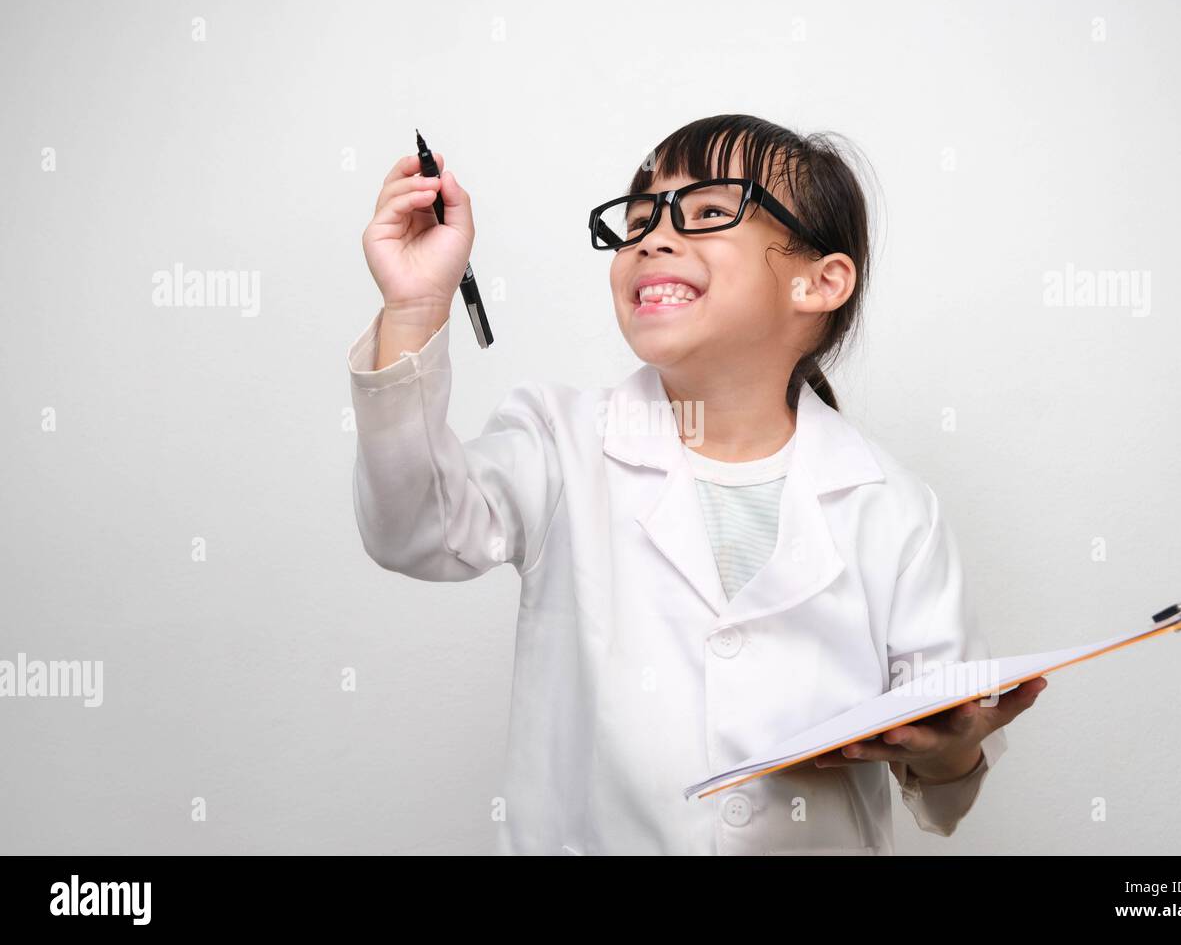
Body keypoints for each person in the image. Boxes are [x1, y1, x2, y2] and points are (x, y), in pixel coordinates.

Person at [346, 113, 1046, 854]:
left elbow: (946, 785)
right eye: (641, 217)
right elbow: (414, 528)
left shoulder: (894, 509)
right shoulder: (561, 444)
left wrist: (946, 753)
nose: (652, 235)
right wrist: (416, 308)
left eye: (710, 211)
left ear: (820, 281)